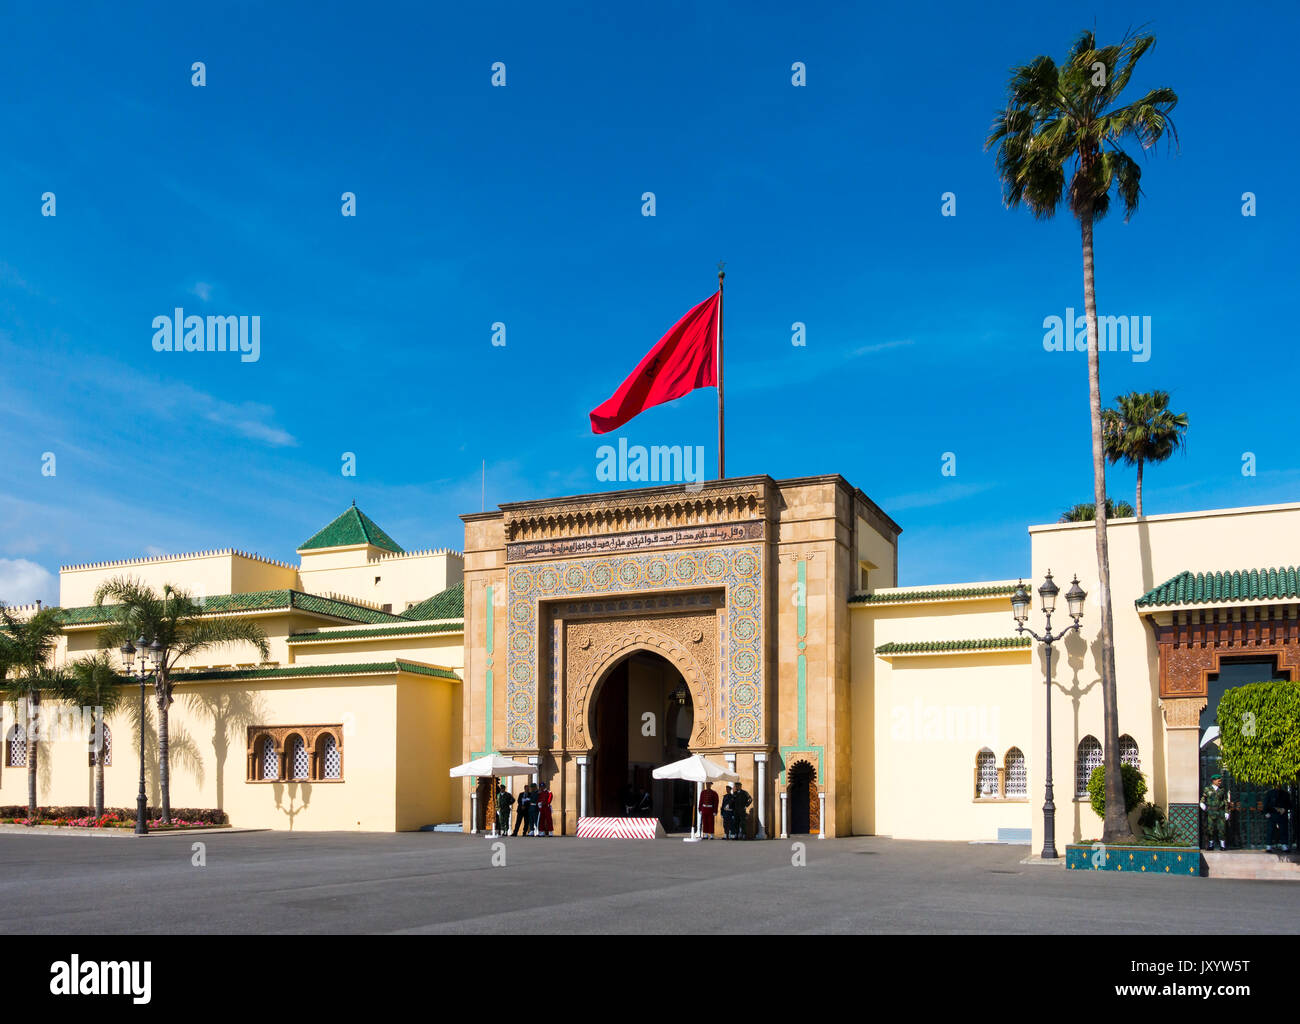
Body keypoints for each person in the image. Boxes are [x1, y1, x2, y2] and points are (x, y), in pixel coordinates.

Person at [1201, 774, 1228, 850]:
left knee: (1222, 829)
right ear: (1213, 781)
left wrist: (1226, 812)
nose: (1220, 782)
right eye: (1218, 781)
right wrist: (1202, 804)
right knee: (1210, 829)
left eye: (1220, 780)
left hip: (1220, 811)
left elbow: (1225, 801)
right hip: (1211, 812)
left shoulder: (1222, 789)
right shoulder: (1207, 789)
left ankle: (1222, 845)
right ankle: (1211, 845)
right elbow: (1204, 798)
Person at [1264, 785, 1292, 852]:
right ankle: (1269, 845)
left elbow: (1289, 804)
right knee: (1270, 830)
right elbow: (1266, 803)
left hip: (1281, 814)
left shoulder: (1285, 793)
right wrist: (1266, 812)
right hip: (1272, 813)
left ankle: (1284, 845)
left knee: (1283, 829)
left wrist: (1284, 809)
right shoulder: (1269, 793)